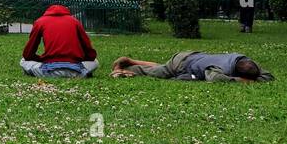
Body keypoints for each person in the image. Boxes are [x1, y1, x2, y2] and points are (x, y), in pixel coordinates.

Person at [19, 3, 98, 78]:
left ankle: (33, 72)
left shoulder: (40, 22)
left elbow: (27, 54)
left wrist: (40, 59)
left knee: (23, 61)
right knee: (95, 62)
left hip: (48, 71)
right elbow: (90, 53)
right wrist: (79, 60)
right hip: (76, 71)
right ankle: (83, 73)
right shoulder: (75, 21)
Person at [111, 52, 273, 82]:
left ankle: (132, 61)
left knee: (162, 68)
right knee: (157, 73)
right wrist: (240, 81)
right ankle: (124, 68)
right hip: (182, 63)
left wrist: (256, 78)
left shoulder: (245, 61)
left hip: (193, 56)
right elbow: (214, 78)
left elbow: (267, 75)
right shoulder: (219, 68)